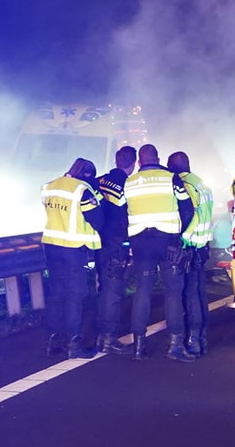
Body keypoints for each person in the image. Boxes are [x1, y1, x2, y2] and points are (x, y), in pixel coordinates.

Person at [123, 144, 194, 361]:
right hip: (167, 241)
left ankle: (138, 345)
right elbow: (187, 207)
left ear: (140, 161)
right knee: (173, 291)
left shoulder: (130, 182)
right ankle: (175, 345)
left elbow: (120, 210)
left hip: (140, 242)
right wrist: (179, 231)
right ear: (157, 158)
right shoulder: (170, 178)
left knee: (142, 290)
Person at [41, 157, 105, 359]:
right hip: (72, 248)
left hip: (51, 246)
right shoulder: (82, 190)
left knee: (56, 294)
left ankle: (54, 341)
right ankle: (73, 344)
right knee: (75, 296)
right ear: (87, 174)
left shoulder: (49, 186)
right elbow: (97, 219)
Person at [167, 151, 215, 358]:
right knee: (199, 294)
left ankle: (193, 341)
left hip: (191, 245)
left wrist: (184, 238)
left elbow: (193, 214)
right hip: (203, 245)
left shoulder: (184, 185)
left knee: (190, 295)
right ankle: (201, 338)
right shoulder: (201, 183)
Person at [94, 145, 137, 355]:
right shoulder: (128, 186)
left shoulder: (99, 181)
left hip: (96, 244)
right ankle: (109, 339)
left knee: (103, 289)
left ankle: (101, 335)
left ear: (116, 160)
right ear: (133, 164)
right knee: (113, 292)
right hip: (116, 246)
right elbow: (127, 219)